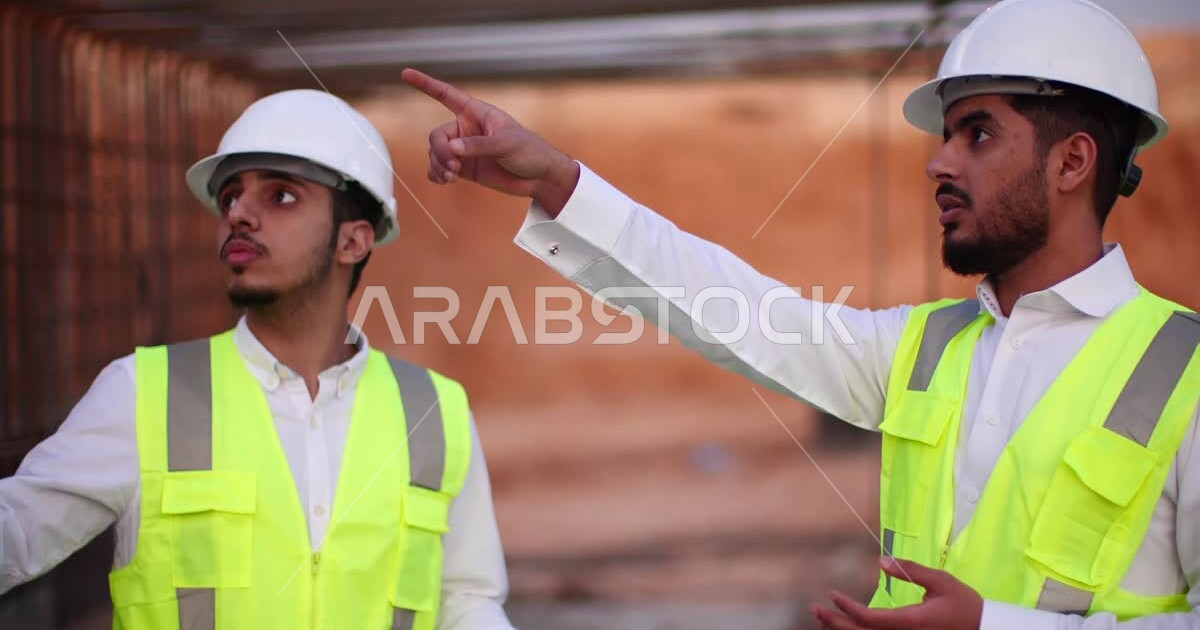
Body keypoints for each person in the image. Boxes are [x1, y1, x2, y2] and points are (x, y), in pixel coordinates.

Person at [401, 0, 1199, 627]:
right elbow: (732, 310)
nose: (939, 161)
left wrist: (992, 627)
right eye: (948, 135)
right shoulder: (923, 349)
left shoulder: (1186, 378)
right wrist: (559, 183)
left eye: (978, 135)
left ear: (1072, 161)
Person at [0, 89, 515, 630]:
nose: (238, 215)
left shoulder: (435, 411)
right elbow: (17, 529)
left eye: (281, 196)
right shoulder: (141, 393)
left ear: (353, 242)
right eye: (229, 198)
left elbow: (467, 601)